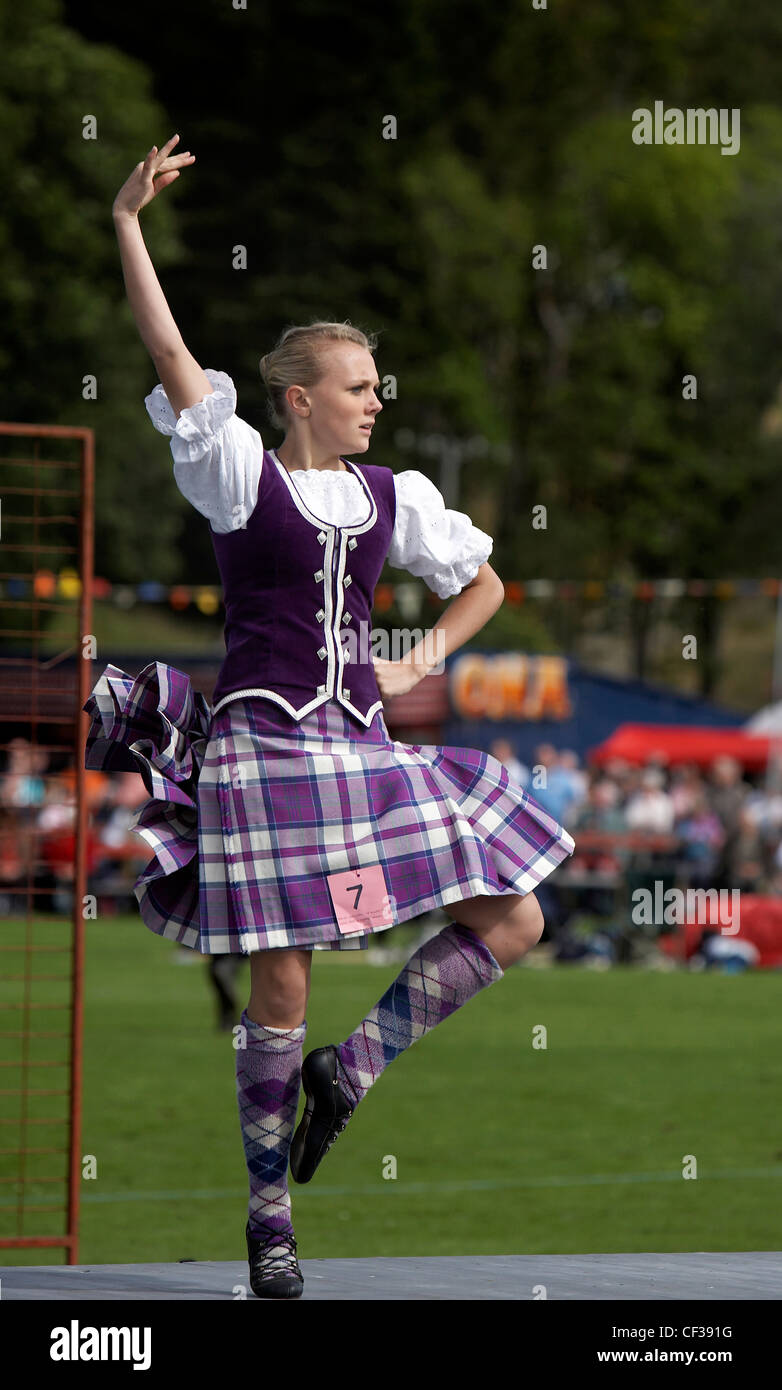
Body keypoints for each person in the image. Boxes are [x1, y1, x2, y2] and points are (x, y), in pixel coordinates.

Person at [83, 135, 576, 1301]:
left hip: (358, 745)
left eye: (375, 386)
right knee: (281, 988)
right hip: (261, 750)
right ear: (300, 397)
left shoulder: (388, 495)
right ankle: (269, 1224)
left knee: (520, 917)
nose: (373, 402)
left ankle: (351, 1067)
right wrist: (126, 223)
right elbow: (166, 348)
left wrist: (424, 656)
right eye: (358, 387)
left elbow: (486, 581)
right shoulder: (236, 467)